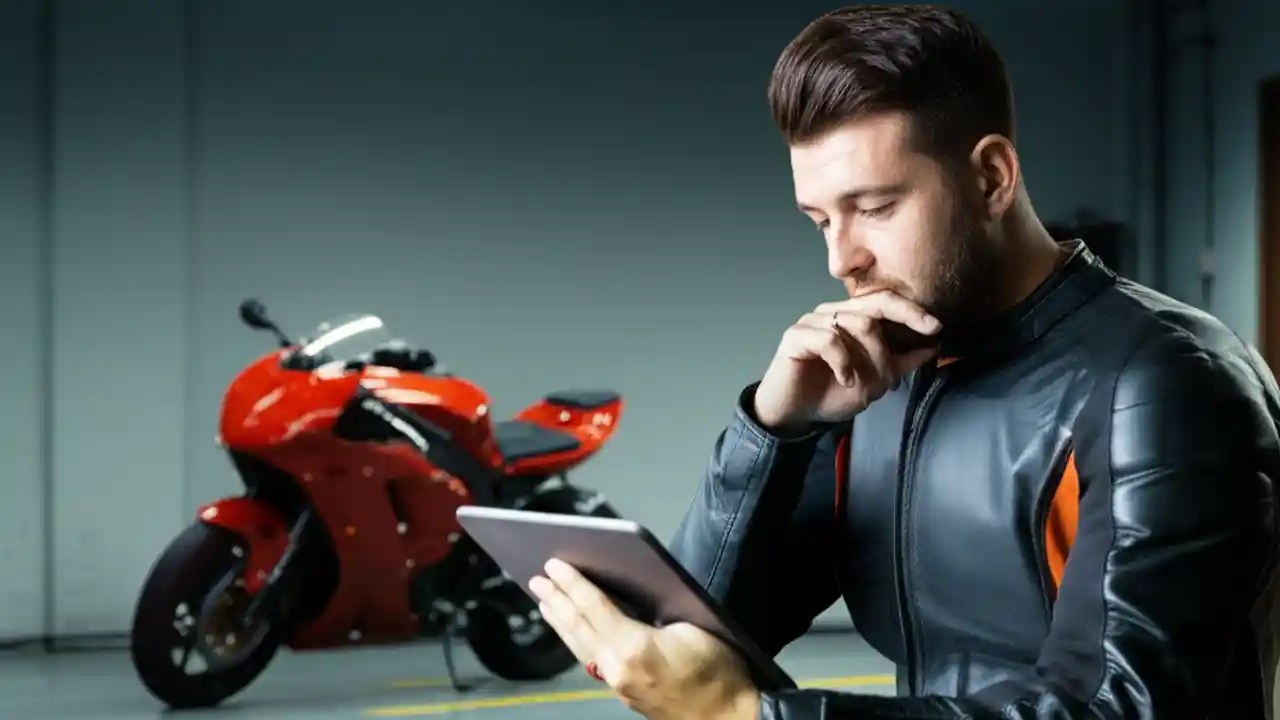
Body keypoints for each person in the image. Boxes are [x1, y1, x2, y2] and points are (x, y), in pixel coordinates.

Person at [528, 3, 1280, 718]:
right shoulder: (883, 375)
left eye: (876, 208)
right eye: (820, 218)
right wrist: (773, 430)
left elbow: (1126, 709)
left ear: (990, 178)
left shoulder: (1165, 383)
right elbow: (700, 633)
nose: (840, 259)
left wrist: (747, 715)